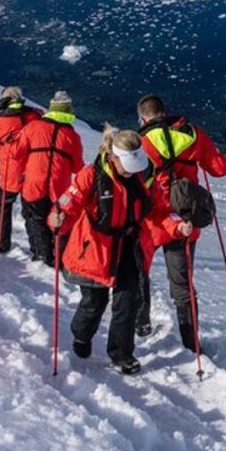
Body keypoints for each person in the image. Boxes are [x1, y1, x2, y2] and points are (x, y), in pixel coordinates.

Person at [50, 126, 153, 375]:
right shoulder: (90, 175)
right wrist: (57, 216)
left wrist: (177, 223)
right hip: (96, 248)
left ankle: (121, 353)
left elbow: (158, 207)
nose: (131, 170)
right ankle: (81, 336)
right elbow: (68, 200)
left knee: (128, 301)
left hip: (128, 246)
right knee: (95, 302)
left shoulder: (139, 177)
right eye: (127, 164)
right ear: (114, 158)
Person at [135, 94, 226, 352]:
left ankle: (141, 323)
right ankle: (191, 343)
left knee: (138, 272)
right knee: (182, 284)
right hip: (186, 218)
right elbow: (220, 169)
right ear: (164, 113)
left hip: (152, 220)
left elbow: (136, 181)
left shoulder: (143, 142)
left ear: (143, 117)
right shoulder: (194, 134)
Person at [10, 91, 85, 267]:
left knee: (35, 218)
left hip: (33, 182)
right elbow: (77, 167)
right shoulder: (73, 136)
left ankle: (42, 255)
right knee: (58, 220)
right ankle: (58, 255)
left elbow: (15, 153)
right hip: (60, 186)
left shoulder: (33, 127)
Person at [0, 86, 41, 254]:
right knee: (32, 211)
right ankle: (40, 250)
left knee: (3, 207)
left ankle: (0, 242)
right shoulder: (34, 115)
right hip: (33, 169)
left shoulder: (1, 119)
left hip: (11, 170)